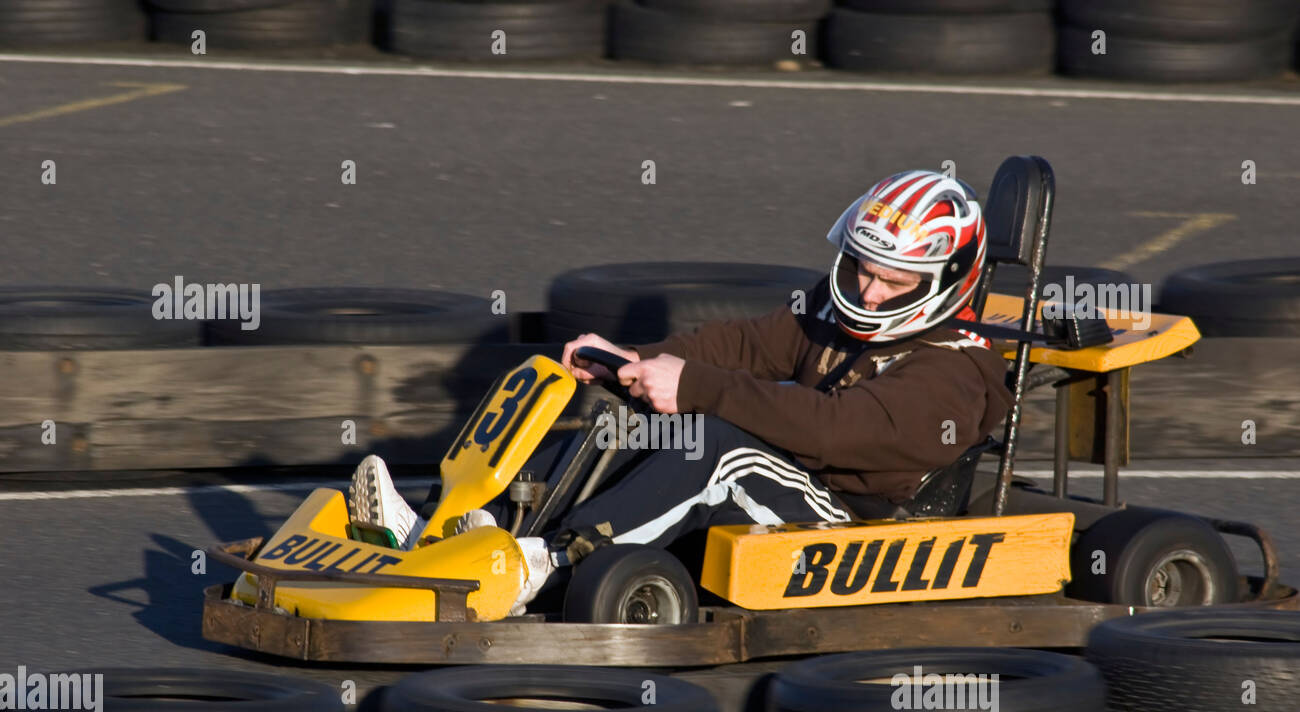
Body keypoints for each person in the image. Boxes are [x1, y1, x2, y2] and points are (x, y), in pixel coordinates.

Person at [347, 170, 1013, 615]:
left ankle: (543, 564)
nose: (868, 292)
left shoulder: (952, 372)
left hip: (857, 518)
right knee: (635, 421)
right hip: (804, 470)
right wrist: (643, 364)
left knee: (719, 445)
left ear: (944, 280)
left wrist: (695, 387)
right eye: (863, 270)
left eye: (891, 282)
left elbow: (831, 430)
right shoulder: (838, 313)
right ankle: (459, 526)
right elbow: (746, 347)